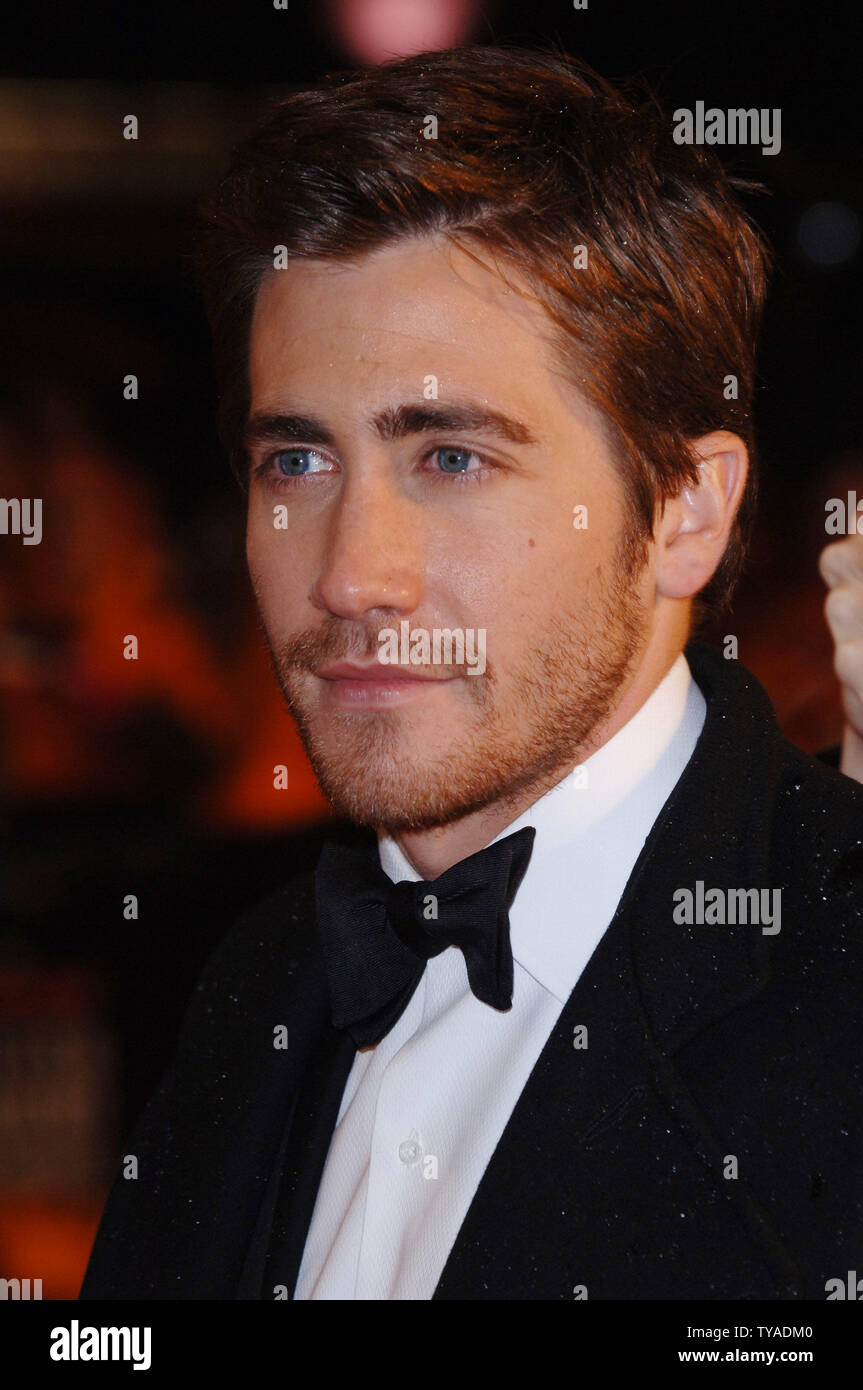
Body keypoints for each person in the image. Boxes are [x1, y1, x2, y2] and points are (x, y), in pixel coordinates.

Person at [80, 44, 863, 1301]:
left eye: (449, 458)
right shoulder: (249, 983)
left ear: (681, 510)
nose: (350, 575)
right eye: (296, 462)